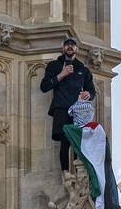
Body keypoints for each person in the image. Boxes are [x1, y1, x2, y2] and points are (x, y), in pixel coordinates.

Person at [40, 38, 96, 172]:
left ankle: (79, 175)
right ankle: (65, 173)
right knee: (65, 142)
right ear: (63, 48)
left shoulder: (83, 69)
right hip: (61, 108)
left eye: (72, 45)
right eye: (67, 45)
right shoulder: (54, 65)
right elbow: (44, 86)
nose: (70, 47)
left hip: (79, 110)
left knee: (78, 142)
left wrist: (88, 94)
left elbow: (92, 91)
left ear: (77, 49)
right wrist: (62, 74)